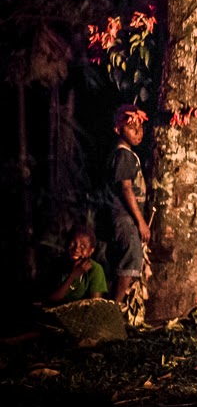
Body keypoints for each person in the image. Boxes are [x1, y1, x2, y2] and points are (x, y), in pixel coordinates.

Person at [106, 104, 150, 308]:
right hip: (125, 217)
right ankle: (116, 306)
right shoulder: (123, 154)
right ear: (118, 130)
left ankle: (116, 305)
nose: (138, 132)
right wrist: (141, 222)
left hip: (127, 217)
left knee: (126, 259)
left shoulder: (128, 154)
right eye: (132, 128)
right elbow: (126, 189)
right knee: (131, 258)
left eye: (140, 128)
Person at [44, 225, 108, 305]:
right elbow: (51, 301)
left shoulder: (95, 270)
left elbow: (94, 306)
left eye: (83, 246)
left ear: (90, 251)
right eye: (73, 243)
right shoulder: (57, 264)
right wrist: (73, 276)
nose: (76, 249)